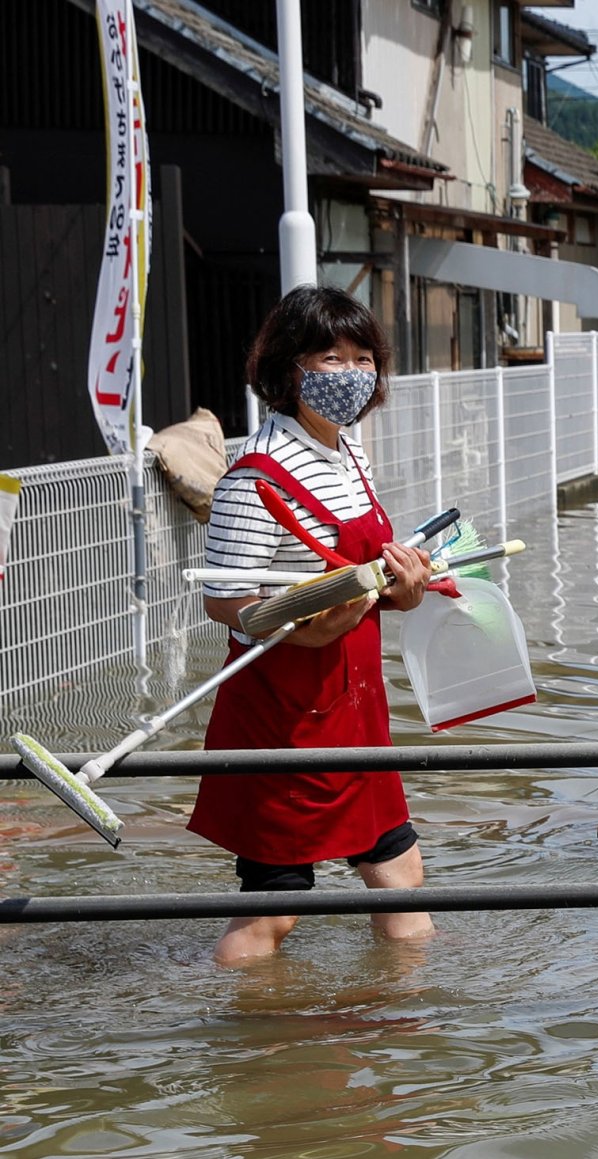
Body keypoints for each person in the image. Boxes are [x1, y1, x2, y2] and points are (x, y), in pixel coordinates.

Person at [191, 285, 434, 965]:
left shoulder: (350, 455)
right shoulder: (252, 476)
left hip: (356, 706)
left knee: (401, 886)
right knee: (275, 911)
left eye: (364, 358)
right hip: (284, 712)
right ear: (287, 369)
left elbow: (364, 576)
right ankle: (244, 1045)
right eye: (331, 357)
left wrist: (405, 589)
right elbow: (224, 601)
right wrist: (304, 629)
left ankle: (406, 1039)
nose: (351, 374)